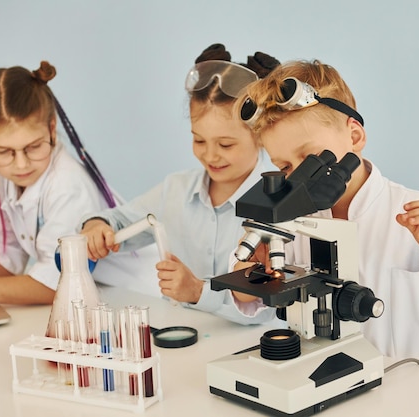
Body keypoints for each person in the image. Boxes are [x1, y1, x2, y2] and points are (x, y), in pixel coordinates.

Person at [234, 59, 419, 372]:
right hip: (327, 381)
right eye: (285, 168)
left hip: (418, 389)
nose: (299, 175)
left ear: (355, 137)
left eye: (309, 157)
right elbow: (243, 294)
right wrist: (252, 262)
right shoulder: (291, 222)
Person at [79, 43, 280, 325]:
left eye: (225, 144)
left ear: (260, 134)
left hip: (251, 349)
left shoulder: (278, 202)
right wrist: (98, 227)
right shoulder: (175, 189)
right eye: (198, 140)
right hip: (178, 336)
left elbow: (265, 305)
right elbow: (121, 220)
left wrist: (198, 291)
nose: (210, 155)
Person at [0, 59, 122, 320]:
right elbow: (5, 258)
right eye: (4, 151)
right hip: (92, 303)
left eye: (33, 146)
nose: (21, 164)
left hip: (136, 298)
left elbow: (57, 284)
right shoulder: (1, 175)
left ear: (52, 128)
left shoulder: (68, 184)